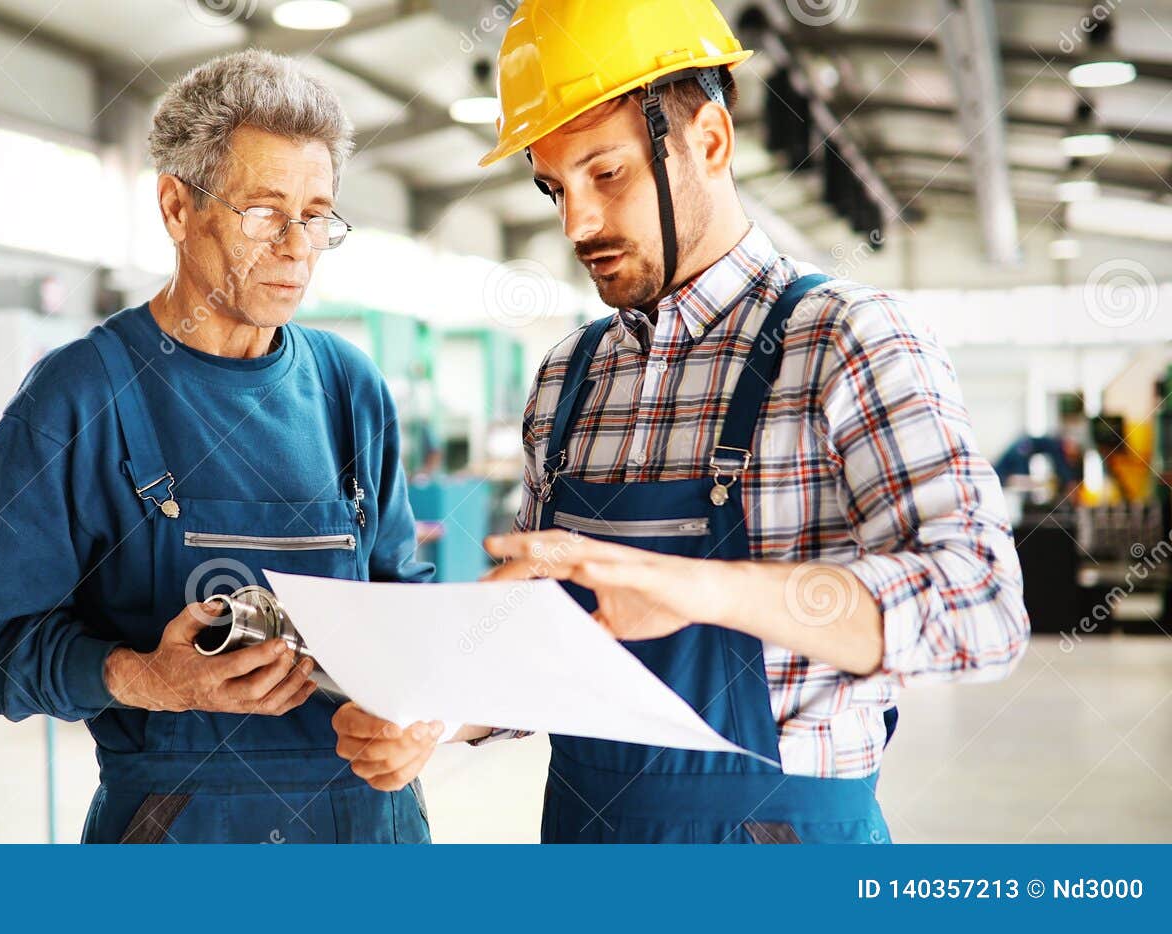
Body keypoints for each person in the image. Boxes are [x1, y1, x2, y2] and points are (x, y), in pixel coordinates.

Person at [330, 0, 1029, 843]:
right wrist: (439, 714)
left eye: (606, 173)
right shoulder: (567, 378)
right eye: (555, 188)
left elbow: (981, 607)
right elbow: (538, 648)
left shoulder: (848, 340)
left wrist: (696, 588)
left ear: (710, 140)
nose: (576, 223)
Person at [0, 50, 434, 844]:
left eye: (316, 215)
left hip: (367, 824)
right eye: (265, 213)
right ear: (177, 207)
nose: (297, 246)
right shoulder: (78, 397)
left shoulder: (349, 386)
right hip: (179, 829)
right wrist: (147, 679)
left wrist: (421, 717)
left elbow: (405, 608)